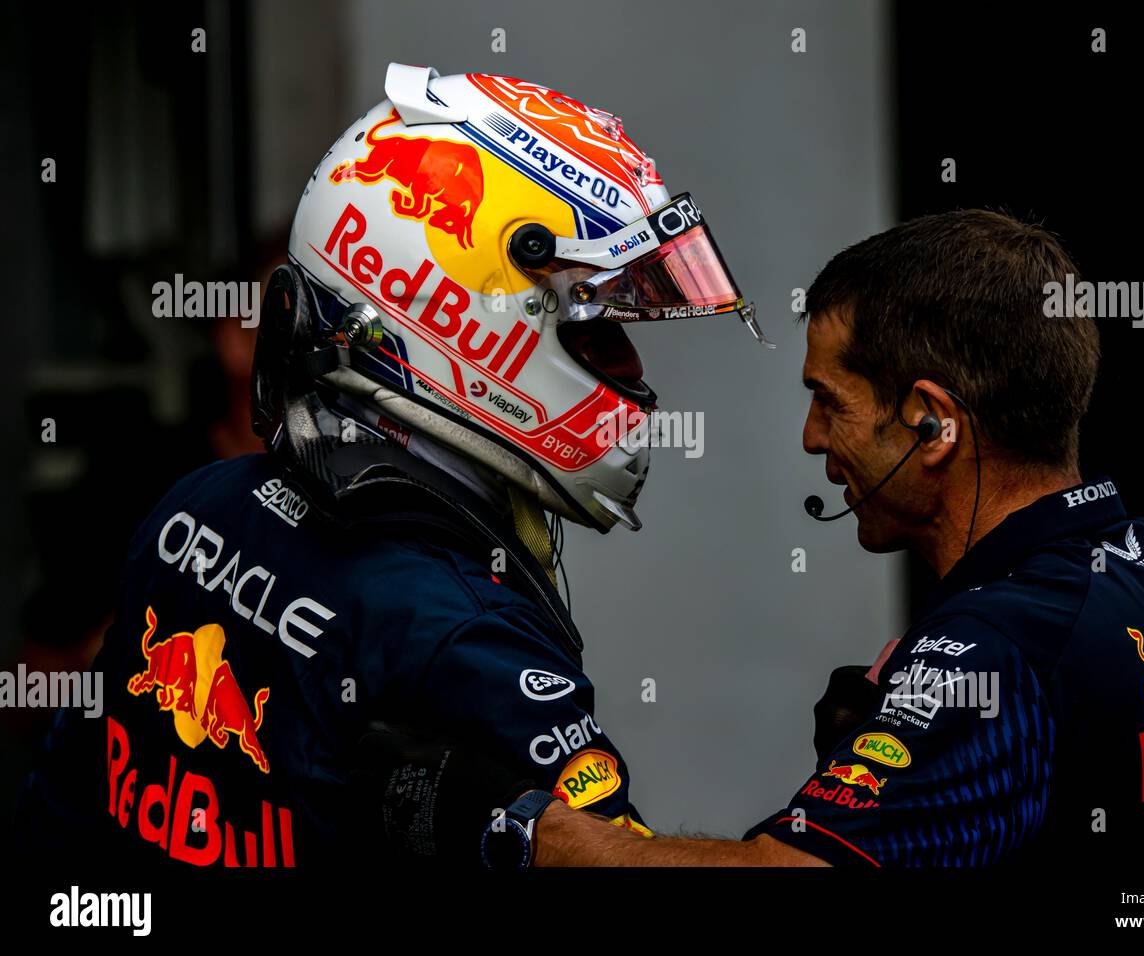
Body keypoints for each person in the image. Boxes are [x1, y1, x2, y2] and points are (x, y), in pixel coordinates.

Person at [15, 63, 768, 867]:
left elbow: (62, 822)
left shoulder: (198, 504)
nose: (628, 364)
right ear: (464, 319)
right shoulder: (461, 633)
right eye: (593, 328)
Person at [453, 209, 1144, 867]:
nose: (813, 439)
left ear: (933, 424)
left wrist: (533, 834)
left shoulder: (997, 646)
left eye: (829, 400)